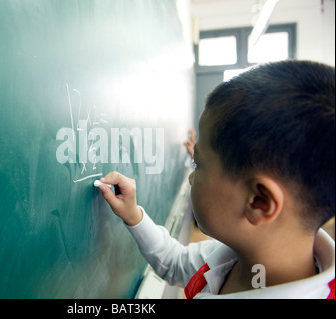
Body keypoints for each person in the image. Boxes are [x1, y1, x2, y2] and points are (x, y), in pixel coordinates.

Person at [98, 60, 335, 298]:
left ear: (258, 201)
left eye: (198, 164)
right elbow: (175, 262)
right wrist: (133, 216)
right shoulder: (240, 255)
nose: (191, 178)